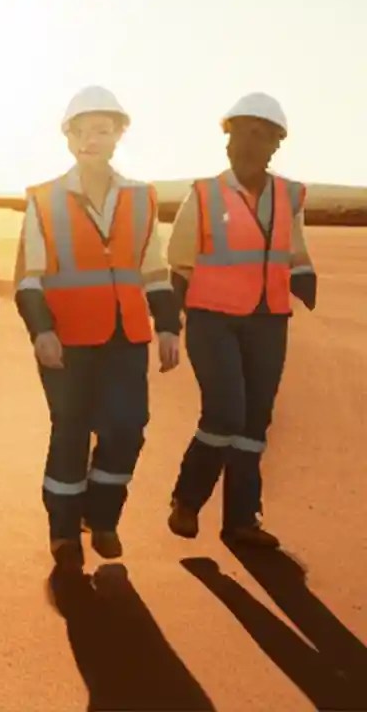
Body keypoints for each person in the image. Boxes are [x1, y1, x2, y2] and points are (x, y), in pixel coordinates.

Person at [14, 86, 181, 571]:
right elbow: (30, 277)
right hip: (65, 339)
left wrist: (168, 325)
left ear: (118, 135)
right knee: (70, 431)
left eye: (102, 129)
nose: (92, 138)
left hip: (126, 335)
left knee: (128, 428)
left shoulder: (141, 198)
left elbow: (153, 271)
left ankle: (101, 517)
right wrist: (40, 330)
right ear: (69, 138)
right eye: (82, 130)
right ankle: (63, 531)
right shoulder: (43, 200)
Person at [165, 92, 316, 548]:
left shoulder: (290, 194)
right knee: (225, 413)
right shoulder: (205, 194)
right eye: (243, 132)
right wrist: (173, 319)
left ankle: (241, 520)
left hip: (269, 319)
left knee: (255, 421)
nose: (252, 143)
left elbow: (296, 249)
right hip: (213, 321)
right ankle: (187, 500)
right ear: (226, 139)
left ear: (276, 144)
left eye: (263, 134)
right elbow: (179, 261)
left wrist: (305, 278)